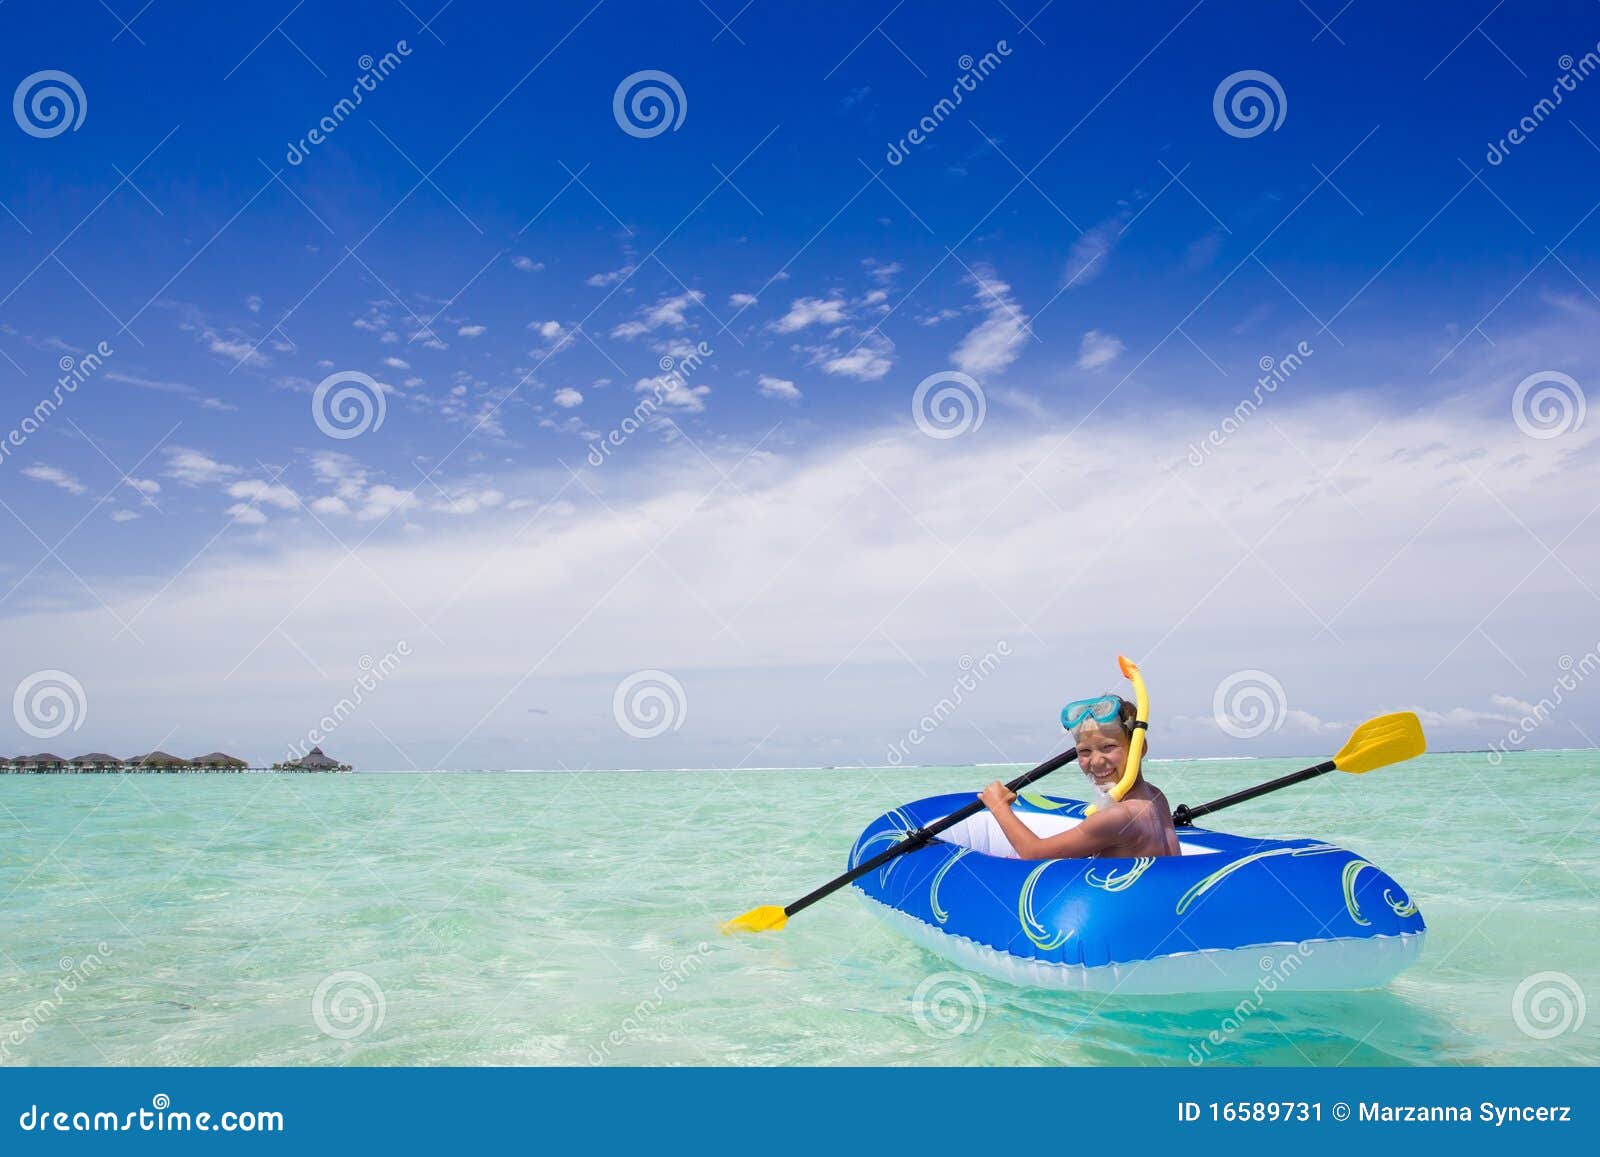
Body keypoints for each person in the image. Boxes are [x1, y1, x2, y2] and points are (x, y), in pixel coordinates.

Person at [977, 696, 1180, 859]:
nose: (1096, 761)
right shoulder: (1155, 796)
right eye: (1084, 751)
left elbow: (1033, 853)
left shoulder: (1119, 817)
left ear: (1140, 747)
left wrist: (998, 806)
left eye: (1108, 747)